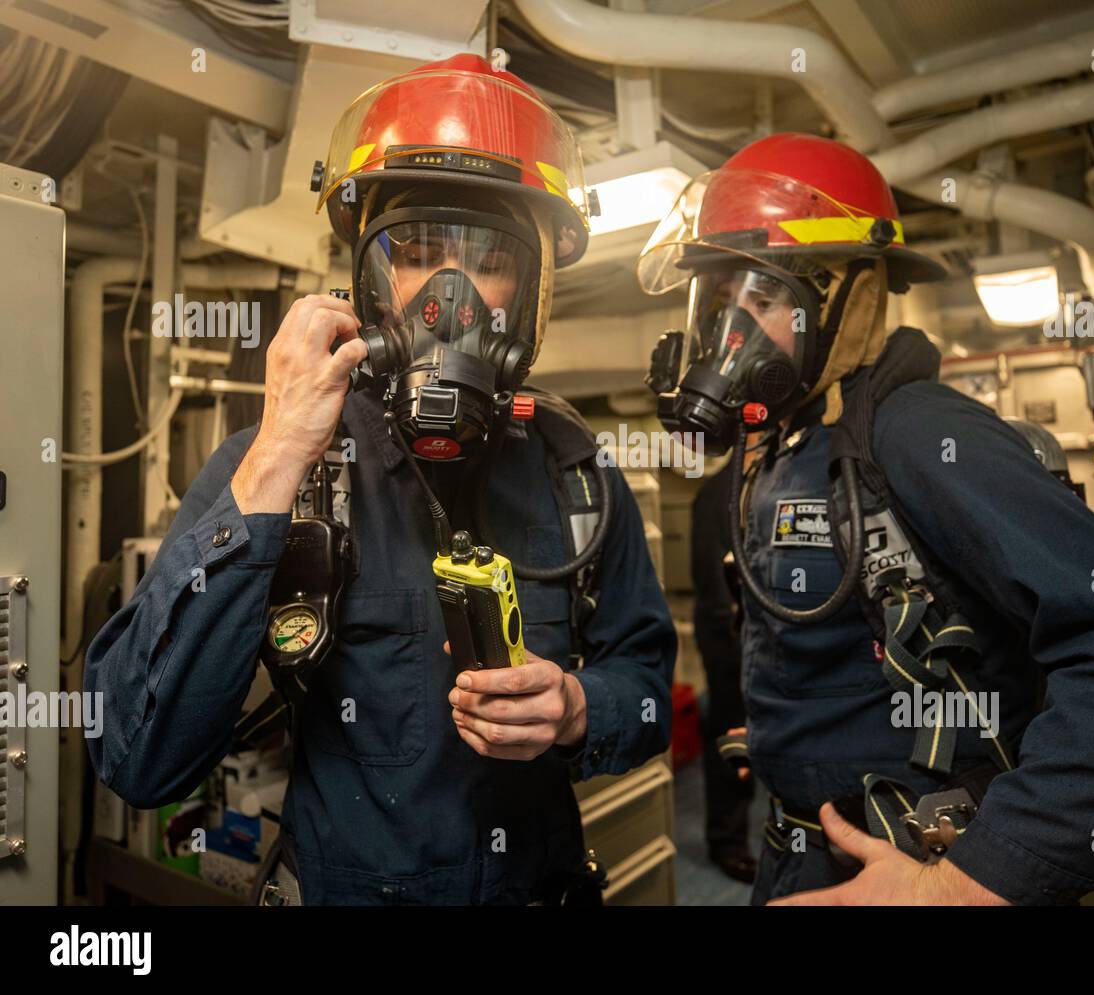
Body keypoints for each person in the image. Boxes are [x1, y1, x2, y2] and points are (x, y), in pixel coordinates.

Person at [84, 54, 675, 906]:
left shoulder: (575, 471)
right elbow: (135, 756)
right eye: (421, 251)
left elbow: (651, 690)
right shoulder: (278, 466)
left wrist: (582, 708)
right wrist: (277, 454)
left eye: (488, 261)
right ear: (368, 279)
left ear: (532, 297)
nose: (450, 298)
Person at [638, 132, 1094, 905]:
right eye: (723, 301)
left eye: (768, 298)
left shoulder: (918, 433)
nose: (732, 335)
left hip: (905, 868)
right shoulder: (789, 443)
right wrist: (798, 735)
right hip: (801, 853)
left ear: (849, 300)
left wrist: (964, 887)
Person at [690, 469, 754, 882]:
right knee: (731, 738)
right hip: (729, 641)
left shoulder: (776, 478)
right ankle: (727, 842)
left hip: (765, 640)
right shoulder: (717, 492)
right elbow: (714, 587)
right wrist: (740, 649)